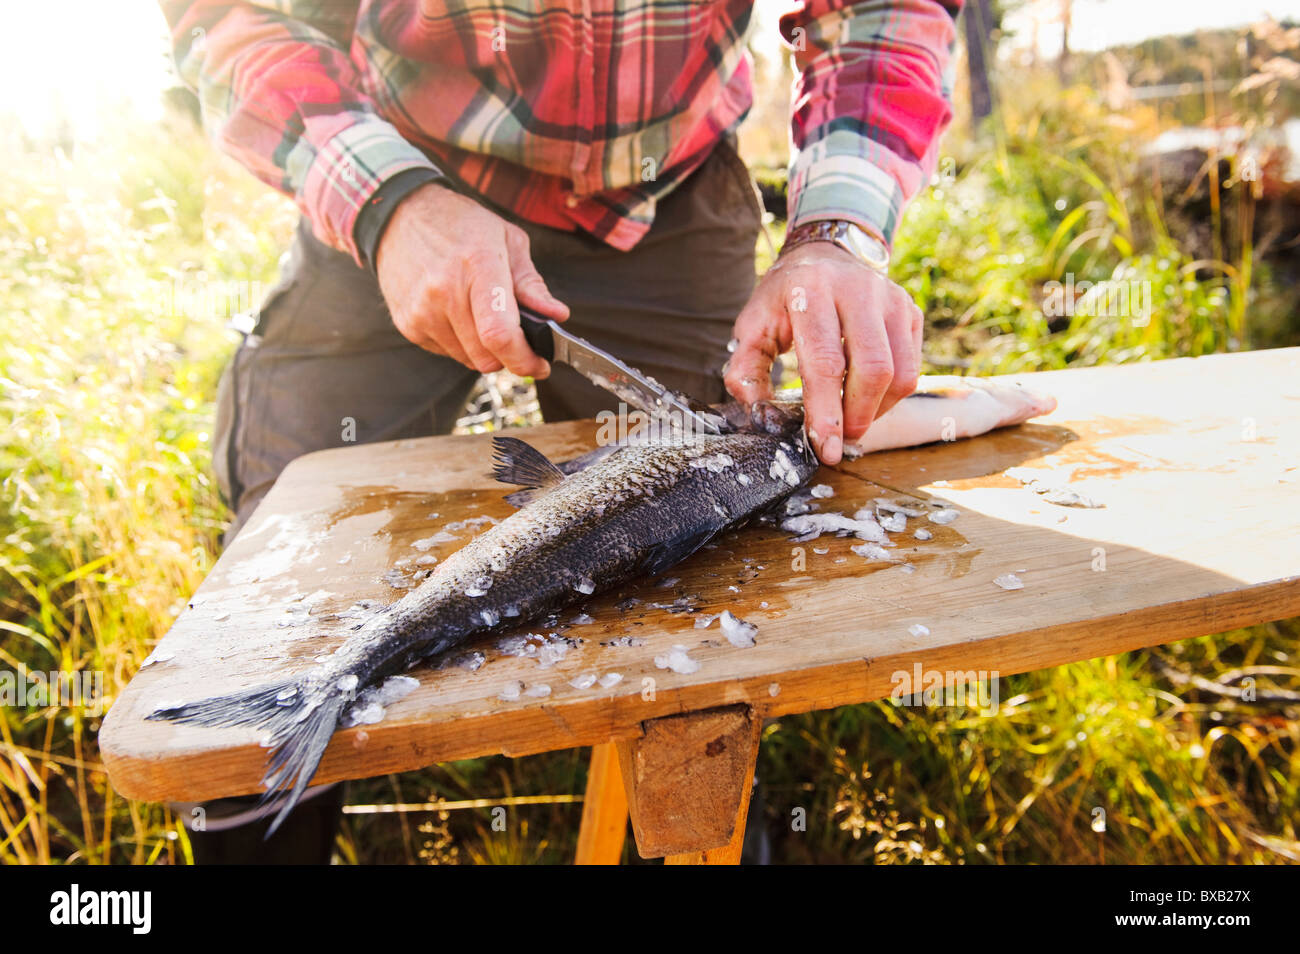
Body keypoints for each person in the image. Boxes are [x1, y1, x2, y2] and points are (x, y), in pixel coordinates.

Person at [159, 0, 962, 861]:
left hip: (672, 195)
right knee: (276, 574)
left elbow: (881, 14)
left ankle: (695, 830)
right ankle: (259, 814)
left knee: (708, 649)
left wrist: (836, 231)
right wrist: (383, 201)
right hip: (391, 162)